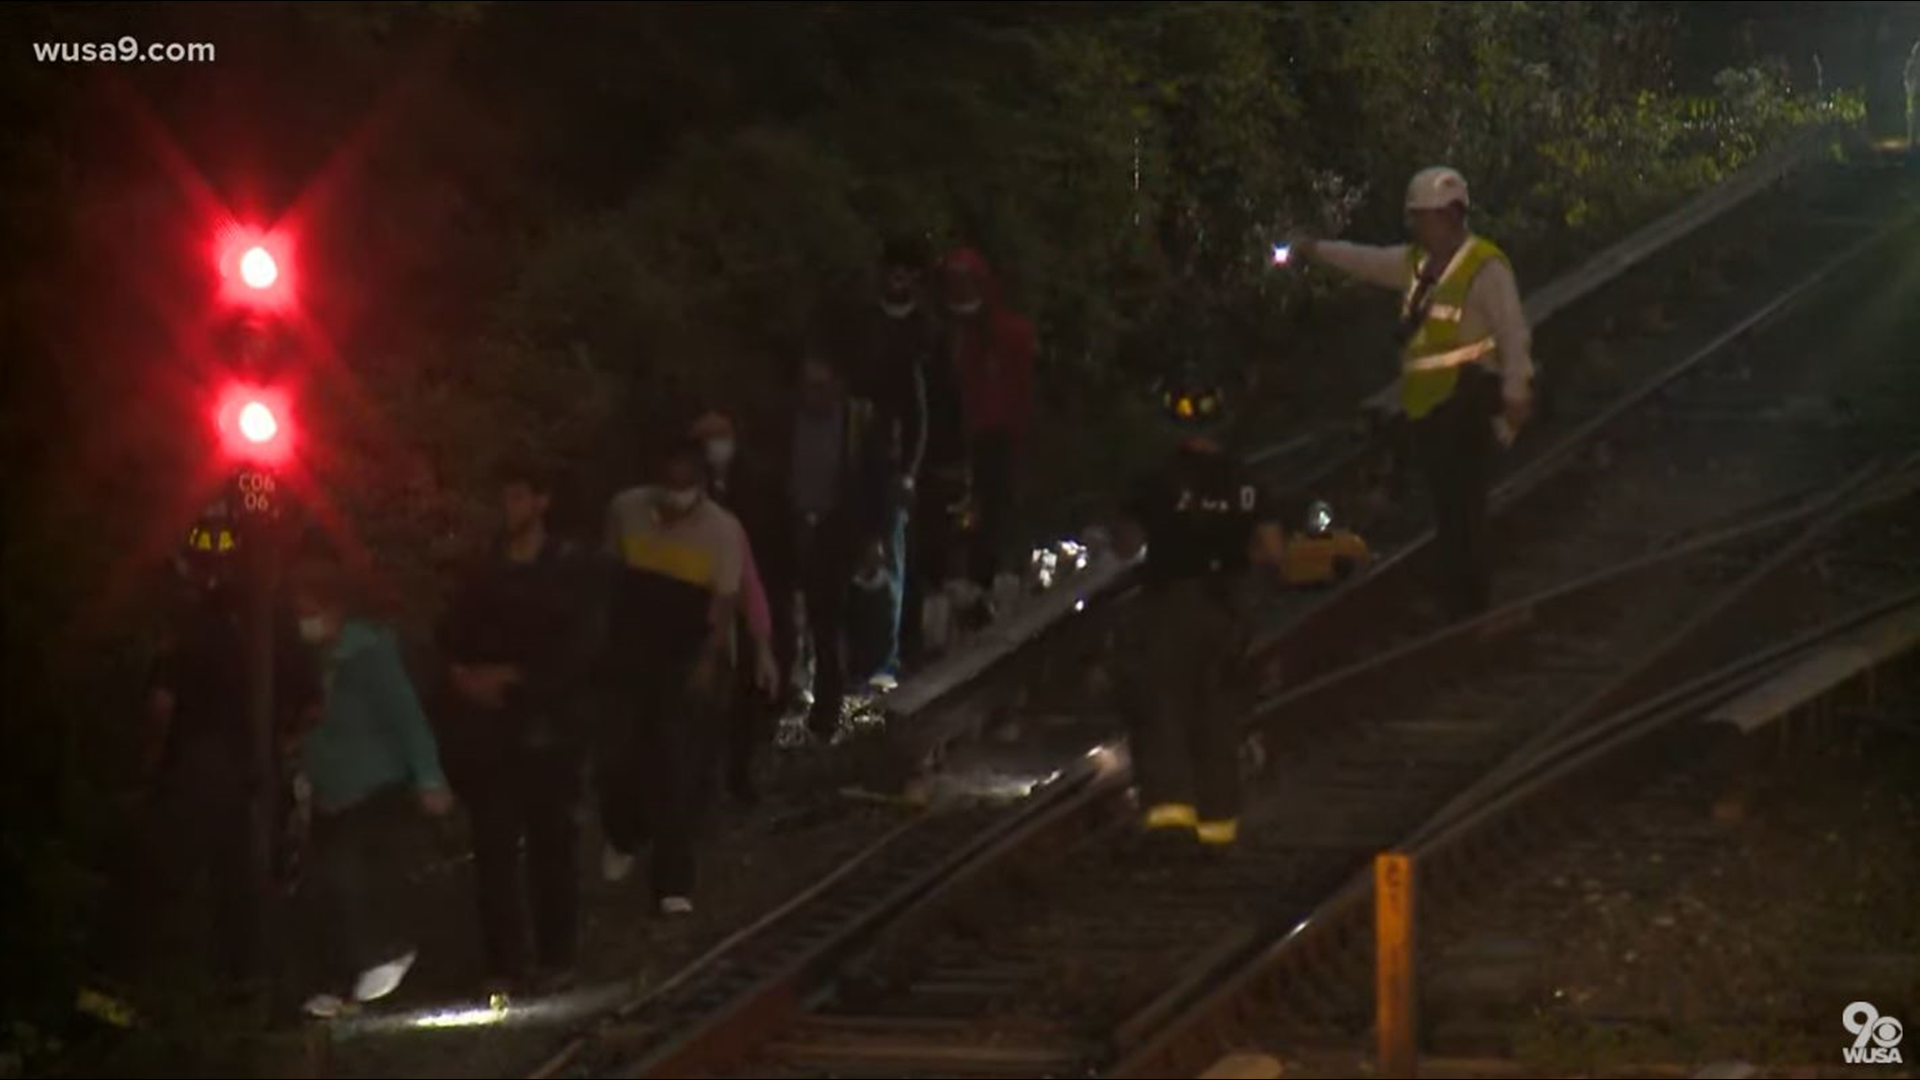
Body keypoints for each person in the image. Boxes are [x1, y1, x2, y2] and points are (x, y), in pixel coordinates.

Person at [1289, 166, 1534, 620]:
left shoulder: (1485, 267)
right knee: (1447, 505)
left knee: (1464, 506)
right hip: (1430, 405)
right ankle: (1457, 599)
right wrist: (1314, 249)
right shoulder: (1416, 265)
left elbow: (1512, 331)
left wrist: (1516, 391)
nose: (1419, 227)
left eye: (1425, 217)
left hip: (1468, 400)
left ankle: (1468, 604)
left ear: (1451, 216)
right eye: (1416, 218)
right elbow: (1365, 260)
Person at [1111, 367, 1286, 849]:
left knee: (1162, 707)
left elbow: (1125, 545)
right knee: (1218, 711)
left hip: (1169, 603)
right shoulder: (1246, 481)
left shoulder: (1154, 482)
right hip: (1227, 607)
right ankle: (1217, 825)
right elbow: (1272, 550)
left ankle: (1169, 817)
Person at [436, 465, 595, 991]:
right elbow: (452, 639)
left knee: (552, 842)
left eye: (519, 496)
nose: (510, 507)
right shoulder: (483, 572)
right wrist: (466, 679)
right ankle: (504, 961)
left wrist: (521, 681)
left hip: (548, 724)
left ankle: (557, 954)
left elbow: (577, 649)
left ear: (541, 500)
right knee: (495, 846)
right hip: (492, 732)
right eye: (504, 496)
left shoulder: (567, 569)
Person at [288, 550, 453, 1018]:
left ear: (335, 607)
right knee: (324, 885)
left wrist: (429, 777)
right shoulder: (308, 660)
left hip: (373, 788)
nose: (305, 621)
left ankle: (380, 961)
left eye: (310, 610)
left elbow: (405, 717)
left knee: (354, 879)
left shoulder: (369, 653)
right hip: (328, 793)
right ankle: (337, 983)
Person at [600, 436, 748, 915]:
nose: (676, 490)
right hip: (628, 654)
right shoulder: (625, 510)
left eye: (687, 481)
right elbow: (608, 574)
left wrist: (707, 661)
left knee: (676, 769)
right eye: (669, 478)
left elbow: (723, 603)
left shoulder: (723, 531)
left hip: (683, 657)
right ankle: (625, 832)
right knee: (618, 758)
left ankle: (673, 883)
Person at [768, 346, 892, 741]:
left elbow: (877, 481)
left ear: (839, 385)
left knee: (828, 624)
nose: (814, 395)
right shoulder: (786, 420)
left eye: (821, 386)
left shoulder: (858, 423)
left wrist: (874, 535)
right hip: (790, 526)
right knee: (780, 620)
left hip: (835, 531)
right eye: (807, 387)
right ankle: (776, 702)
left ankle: (825, 714)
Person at [851, 237, 939, 684]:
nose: (897, 278)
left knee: (892, 557)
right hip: (853, 452)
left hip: (893, 458)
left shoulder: (924, 332)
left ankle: (885, 659)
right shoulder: (861, 323)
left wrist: (911, 471)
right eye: (892, 269)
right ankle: (851, 656)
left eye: (907, 271)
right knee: (852, 555)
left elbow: (925, 411)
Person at [687, 411, 783, 804]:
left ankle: (735, 776)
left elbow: (753, 574)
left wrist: (762, 639)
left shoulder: (753, 491)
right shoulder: (682, 502)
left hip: (733, 614)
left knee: (740, 696)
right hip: (694, 616)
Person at [938, 246, 1036, 616]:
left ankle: (987, 583)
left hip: (994, 440)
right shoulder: (945, 337)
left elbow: (1016, 393)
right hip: (955, 440)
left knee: (991, 510)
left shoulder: (1008, 336)